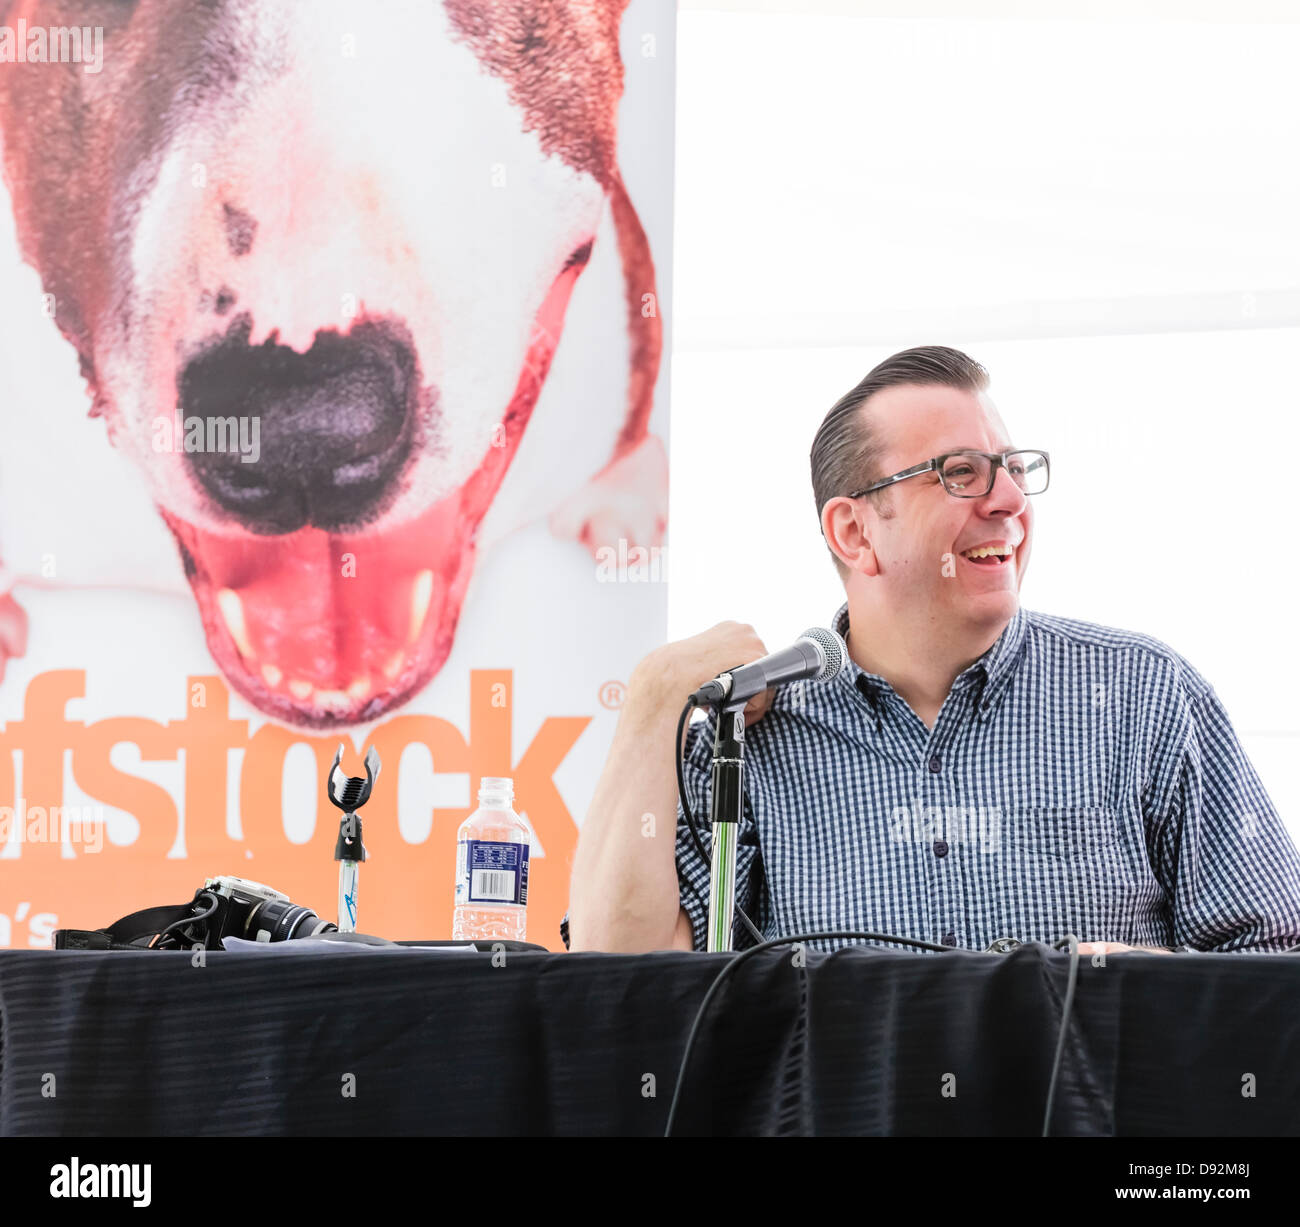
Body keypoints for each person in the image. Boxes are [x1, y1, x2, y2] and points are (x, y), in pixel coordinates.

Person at [562, 345, 1300, 955]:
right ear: (855, 532)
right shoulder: (746, 736)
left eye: (1013, 468)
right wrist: (655, 696)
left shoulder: (1144, 697)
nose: (1009, 500)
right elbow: (626, 981)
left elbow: (1274, 965)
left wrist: (1128, 988)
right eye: (961, 473)